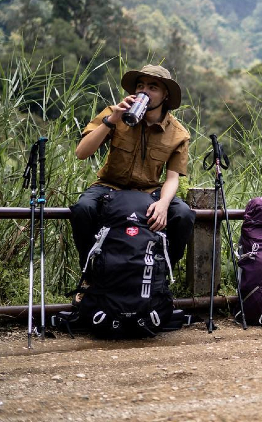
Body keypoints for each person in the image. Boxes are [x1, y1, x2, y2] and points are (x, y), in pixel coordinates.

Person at [70, 64, 195, 272]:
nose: (144, 91)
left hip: (149, 190)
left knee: (183, 214)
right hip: (109, 185)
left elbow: (172, 178)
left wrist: (163, 204)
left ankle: (162, 273)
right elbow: (81, 153)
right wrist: (111, 120)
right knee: (83, 209)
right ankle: (89, 272)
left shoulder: (178, 134)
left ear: (165, 95)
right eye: (140, 86)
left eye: (152, 87)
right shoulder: (114, 113)